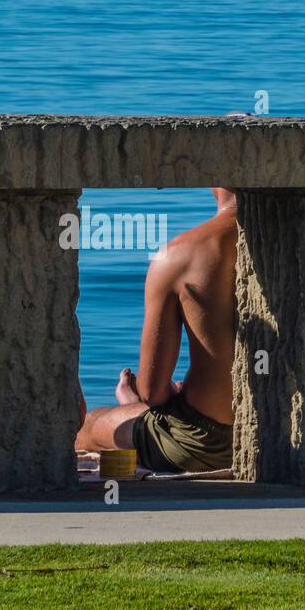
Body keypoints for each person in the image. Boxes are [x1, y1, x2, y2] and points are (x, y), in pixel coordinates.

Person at [75, 188, 237, 473]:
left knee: (89, 426)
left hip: (204, 442)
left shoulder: (180, 254)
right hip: (288, 428)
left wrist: (140, 402)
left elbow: (153, 392)